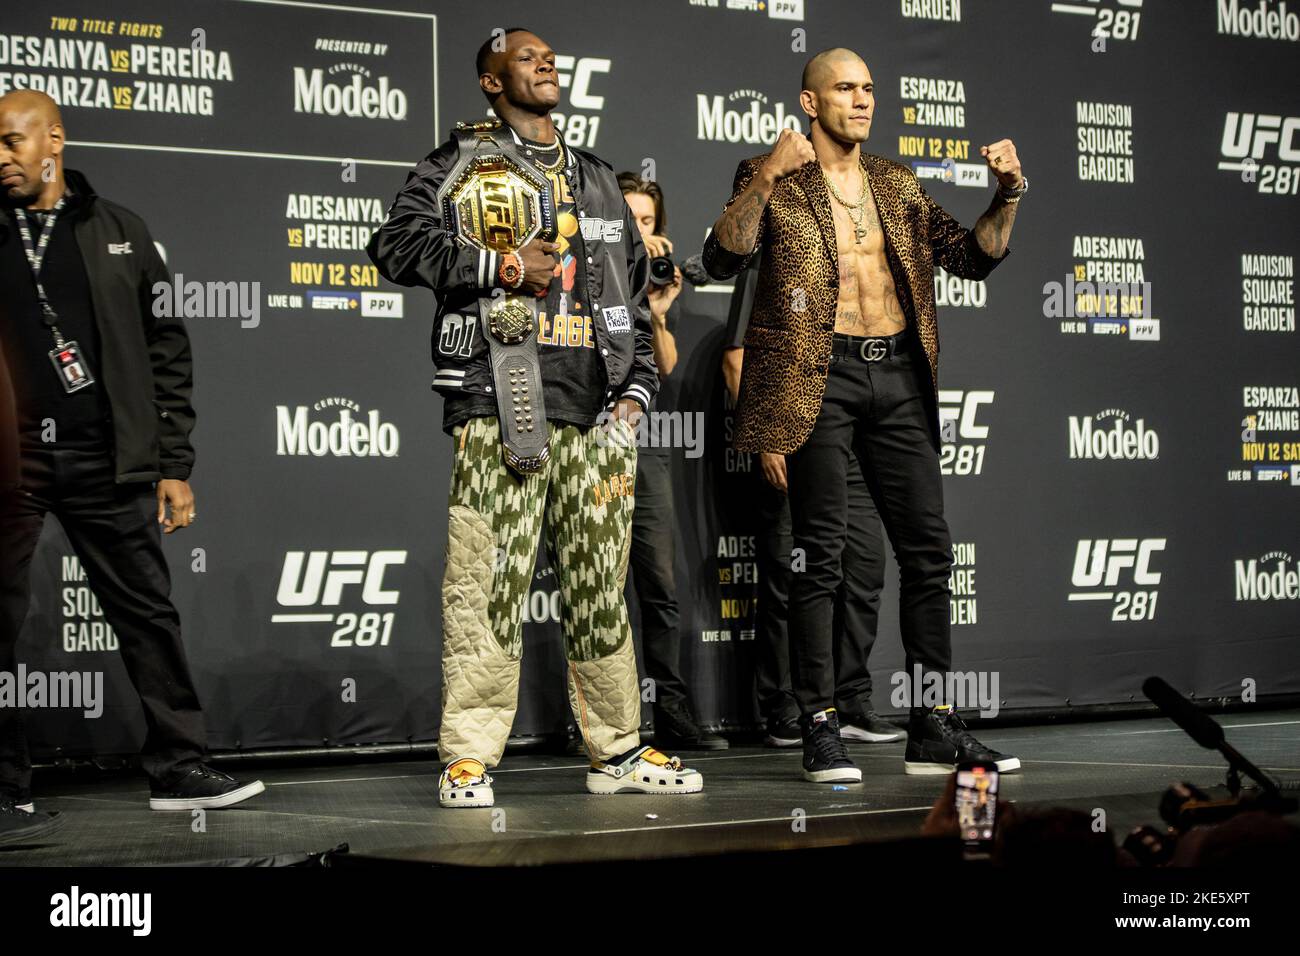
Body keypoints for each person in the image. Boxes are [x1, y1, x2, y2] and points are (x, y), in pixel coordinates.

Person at [367, 29, 703, 807]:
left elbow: (632, 294)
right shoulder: (459, 161)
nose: (545, 63)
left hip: (598, 417)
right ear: (491, 81)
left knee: (599, 585)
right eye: (525, 57)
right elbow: (395, 244)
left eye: (550, 55)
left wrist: (636, 391)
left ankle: (616, 749)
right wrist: (502, 265)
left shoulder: (593, 177)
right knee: (487, 584)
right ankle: (470, 759)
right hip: (500, 401)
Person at [703, 48, 1024, 782]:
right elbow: (722, 257)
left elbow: (973, 257)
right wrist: (765, 179)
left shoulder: (896, 183)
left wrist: (1006, 195)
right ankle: (819, 725)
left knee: (930, 553)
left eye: (870, 88)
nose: (863, 99)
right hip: (822, 377)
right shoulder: (772, 174)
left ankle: (935, 724)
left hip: (901, 376)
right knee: (821, 556)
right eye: (846, 88)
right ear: (810, 102)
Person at [0, 90, 263, 821]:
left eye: (11, 142)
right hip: (10, 467)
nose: (1, 158)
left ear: (53, 140)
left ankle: (179, 768)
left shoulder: (120, 230)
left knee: (147, 616)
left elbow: (167, 350)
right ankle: (3, 783)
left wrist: (172, 463)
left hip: (106, 460)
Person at [722, 255, 900, 748]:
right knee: (787, 577)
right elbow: (737, 358)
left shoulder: (866, 260)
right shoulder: (767, 261)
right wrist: (769, 437)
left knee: (864, 569)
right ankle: (784, 704)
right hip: (796, 441)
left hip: (856, 448)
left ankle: (852, 700)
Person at [619, 172, 726, 751]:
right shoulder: (584, 276)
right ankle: (597, 721)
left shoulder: (660, 287)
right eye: (630, 218)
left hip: (646, 447)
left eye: (649, 222)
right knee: (598, 589)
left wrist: (658, 313)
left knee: (660, 584)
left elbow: (663, 368)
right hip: (590, 445)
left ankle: (672, 714)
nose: (640, 232)